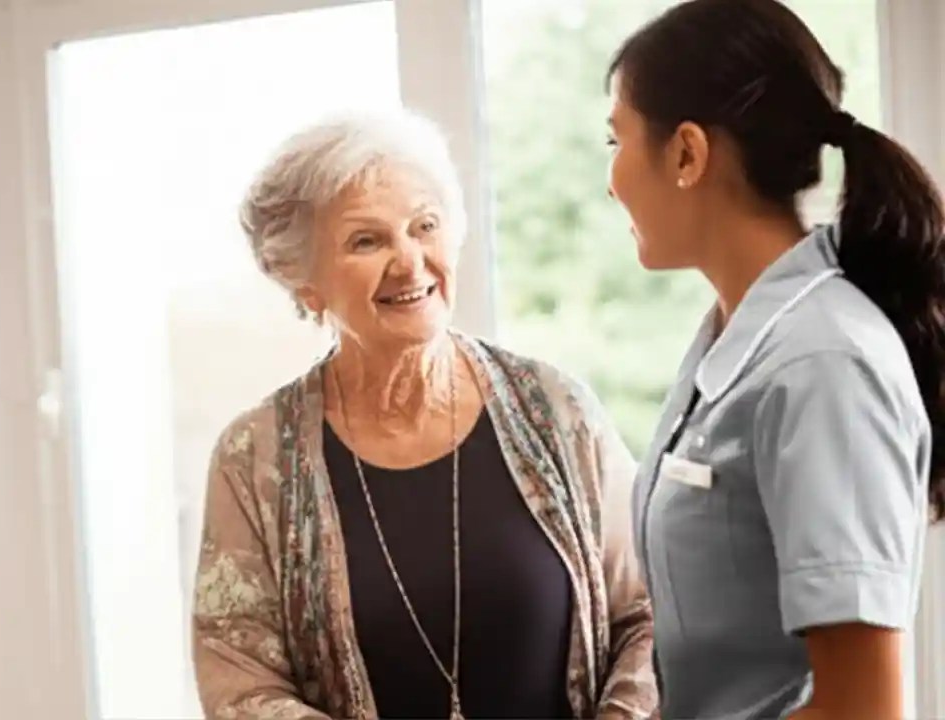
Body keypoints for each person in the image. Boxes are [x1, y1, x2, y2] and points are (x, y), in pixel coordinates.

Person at [191, 110, 657, 719]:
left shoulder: (557, 410)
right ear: (306, 283)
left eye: (424, 226)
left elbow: (648, 614)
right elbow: (240, 681)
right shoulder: (253, 459)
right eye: (367, 240)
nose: (410, 261)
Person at [605, 0, 945, 717]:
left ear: (687, 153)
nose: (611, 180)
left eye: (617, 141)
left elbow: (864, 710)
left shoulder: (822, 364)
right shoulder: (737, 340)